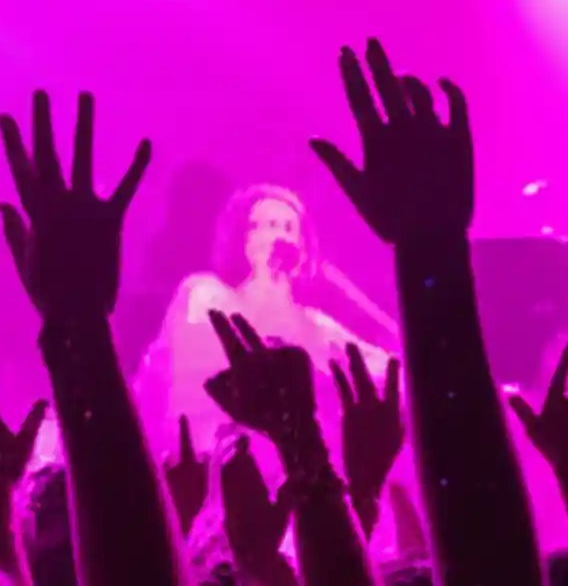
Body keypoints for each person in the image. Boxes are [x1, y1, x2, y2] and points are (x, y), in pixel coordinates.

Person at [135, 183, 394, 456]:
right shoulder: (202, 294)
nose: (279, 236)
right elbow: (158, 371)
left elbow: (389, 372)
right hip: (188, 463)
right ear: (245, 240)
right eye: (267, 225)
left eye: (288, 227)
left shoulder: (316, 328)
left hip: (265, 482)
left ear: (304, 251)